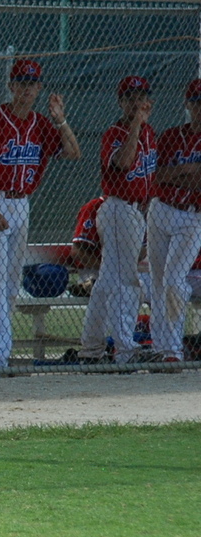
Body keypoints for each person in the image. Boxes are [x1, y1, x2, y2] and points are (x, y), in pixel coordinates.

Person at [0, 59, 81, 369]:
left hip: (21, 204)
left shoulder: (42, 126)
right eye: (21, 82)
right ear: (11, 86)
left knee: (11, 282)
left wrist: (60, 120)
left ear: (39, 88)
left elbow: (73, 152)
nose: (27, 88)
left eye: (32, 83)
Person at [79, 75, 157, 366]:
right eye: (130, 97)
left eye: (142, 96)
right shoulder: (114, 132)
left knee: (107, 282)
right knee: (127, 280)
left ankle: (90, 349)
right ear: (121, 102)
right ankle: (125, 350)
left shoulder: (150, 133)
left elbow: (150, 178)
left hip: (137, 211)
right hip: (118, 208)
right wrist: (135, 124)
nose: (137, 102)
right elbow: (124, 163)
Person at [147, 78, 201, 363]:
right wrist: (190, 170)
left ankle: (173, 349)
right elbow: (158, 177)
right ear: (188, 105)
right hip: (161, 209)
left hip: (192, 216)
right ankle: (160, 347)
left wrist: (179, 172)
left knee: (174, 279)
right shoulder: (169, 136)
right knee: (157, 280)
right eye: (196, 102)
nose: (200, 108)